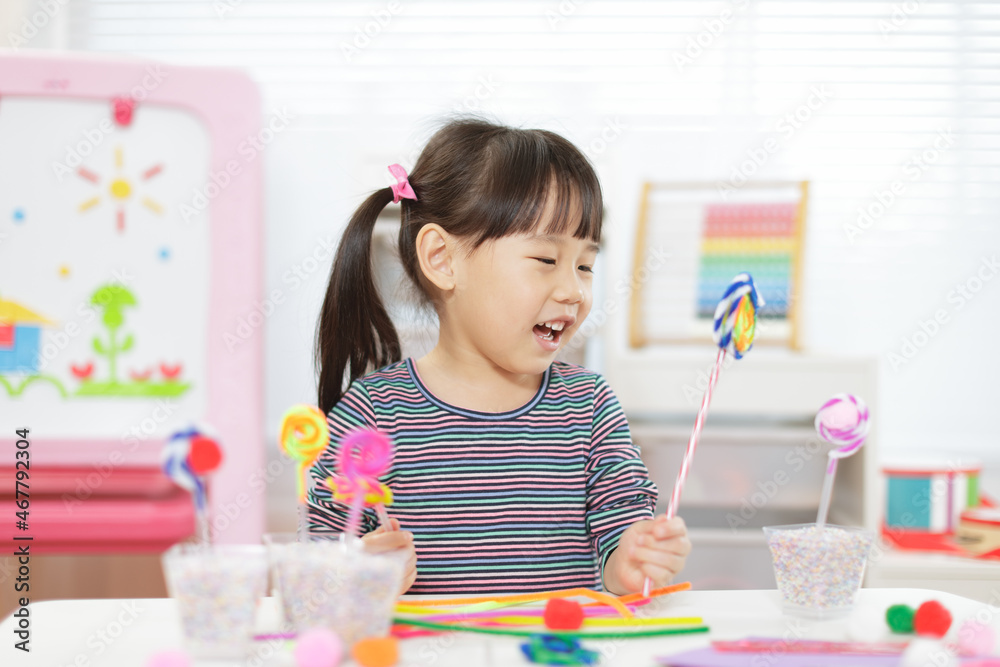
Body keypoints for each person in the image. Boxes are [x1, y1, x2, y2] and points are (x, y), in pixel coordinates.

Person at [307, 116, 690, 595]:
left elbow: (622, 537)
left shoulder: (589, 408)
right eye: (546, 260)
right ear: (443, 260)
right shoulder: (372, 416)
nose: (573, 290)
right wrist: (360, 572)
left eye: (586, 265)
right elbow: (317, 565)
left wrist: (635, 558)